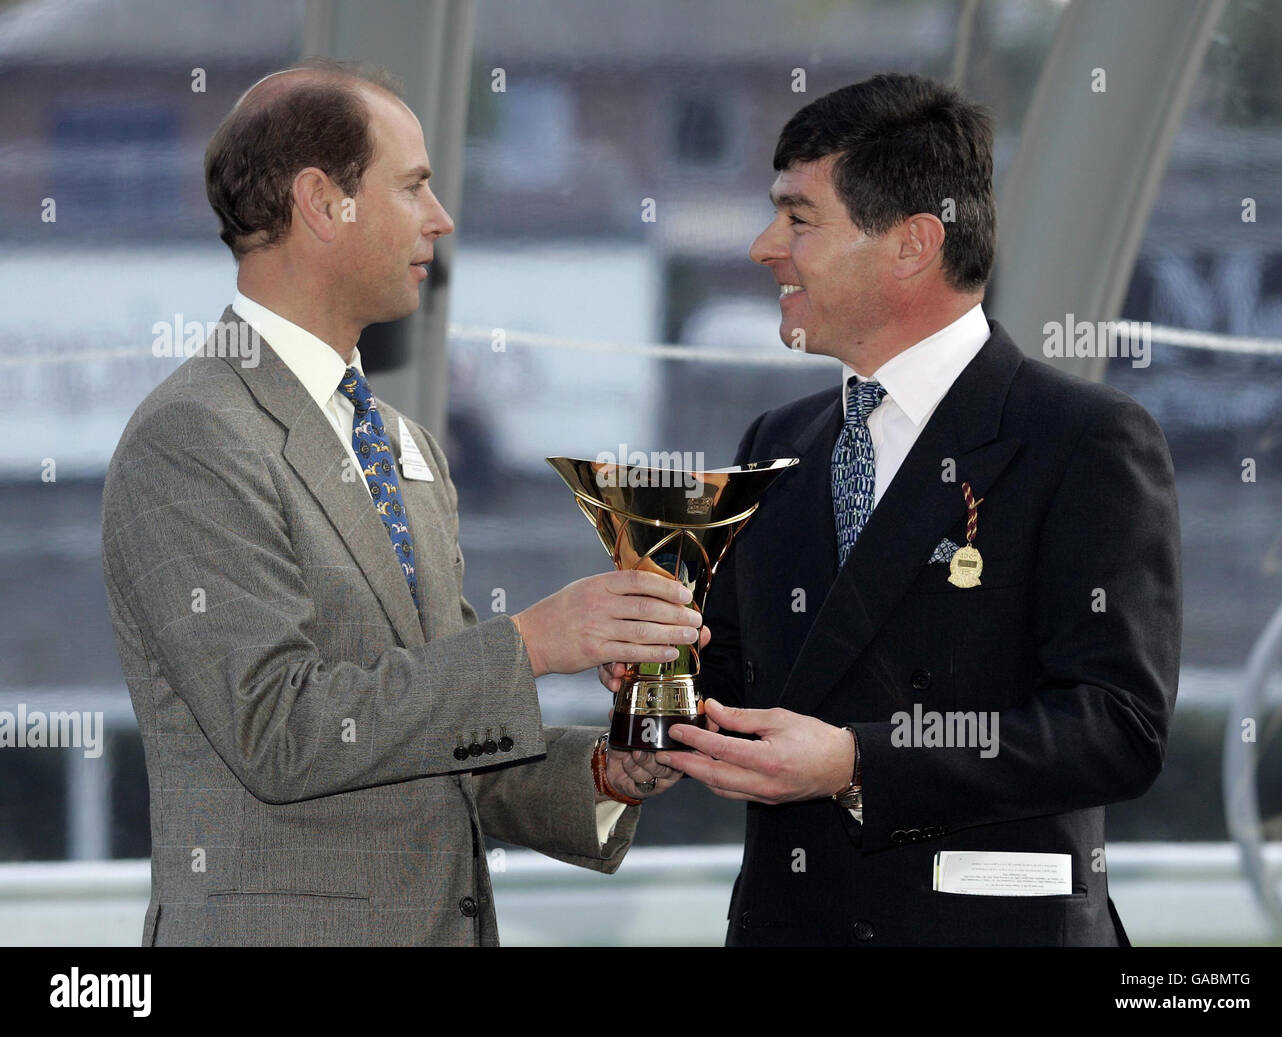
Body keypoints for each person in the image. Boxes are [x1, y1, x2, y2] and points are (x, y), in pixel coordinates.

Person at [99, 58, 691, 947]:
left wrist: (610, 771)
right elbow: (280, 729)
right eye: (412, 185)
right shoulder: (192, 437)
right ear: (319, 201)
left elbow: (443, 729)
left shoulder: (402, 443)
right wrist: (533, 643)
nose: (441, 218)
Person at [644, 73, 1181, 946]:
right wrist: (658, 677)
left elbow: (1116, 727)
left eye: (798, 217)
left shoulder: (1083, 439)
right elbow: (740, 685)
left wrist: (857, 762)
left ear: (912, 244)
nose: (762, 246)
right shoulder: (775, 442)